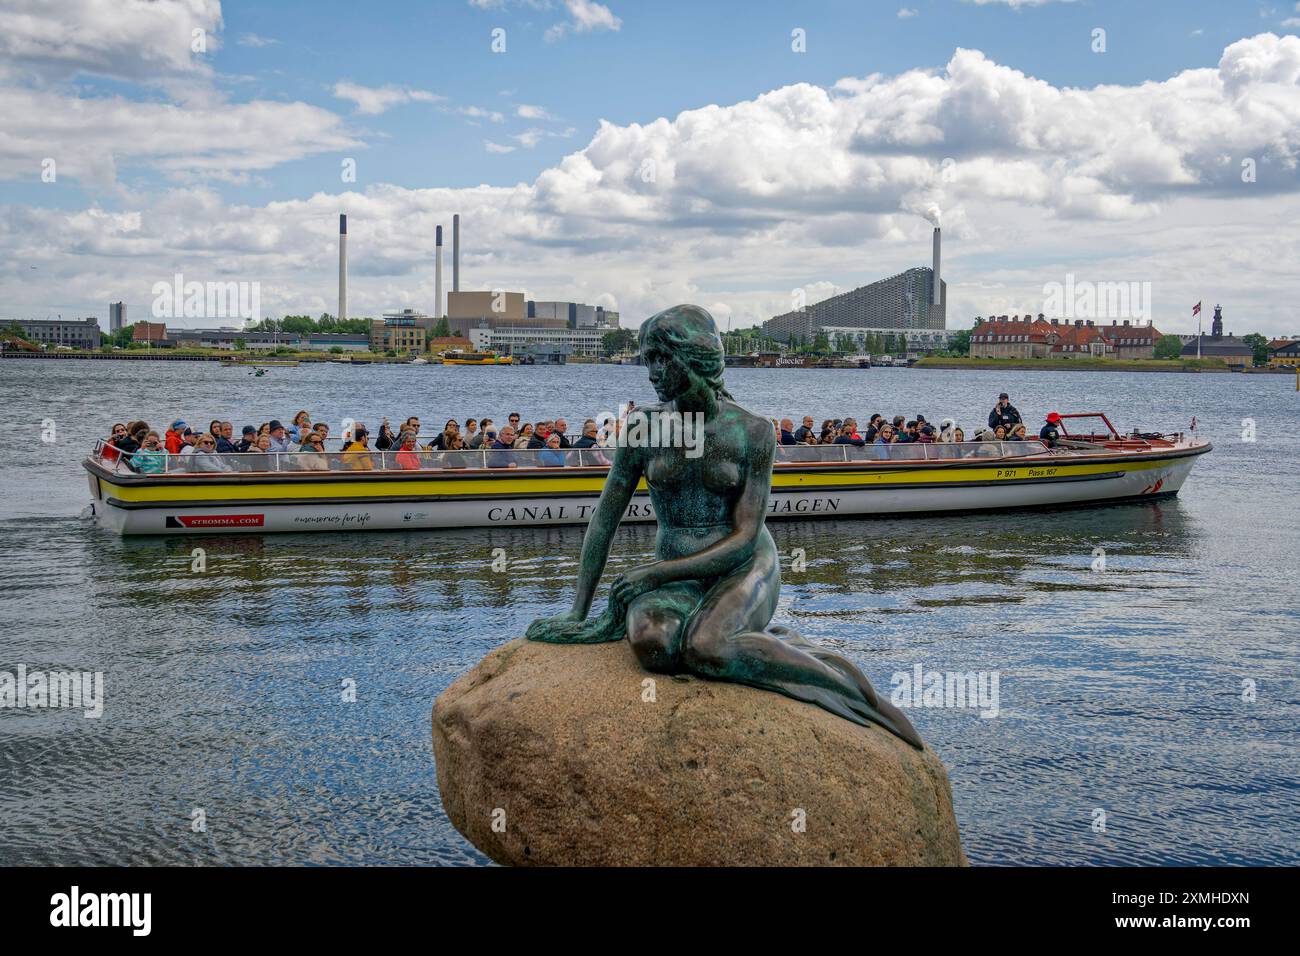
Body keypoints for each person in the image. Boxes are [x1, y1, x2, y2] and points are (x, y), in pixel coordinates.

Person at [525, 304, 921, 746]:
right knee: (655, 647)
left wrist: (653, 573)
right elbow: (604, 519)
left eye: (661, 359)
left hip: (744, 565)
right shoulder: (643, 427)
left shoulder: (752, 431)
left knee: (706, 647)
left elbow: (745, 536)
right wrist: (578, 612)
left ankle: (848, 687)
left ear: (695, 358)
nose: (651, 371)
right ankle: (766, 643)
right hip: (680, 573)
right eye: (648, 358)